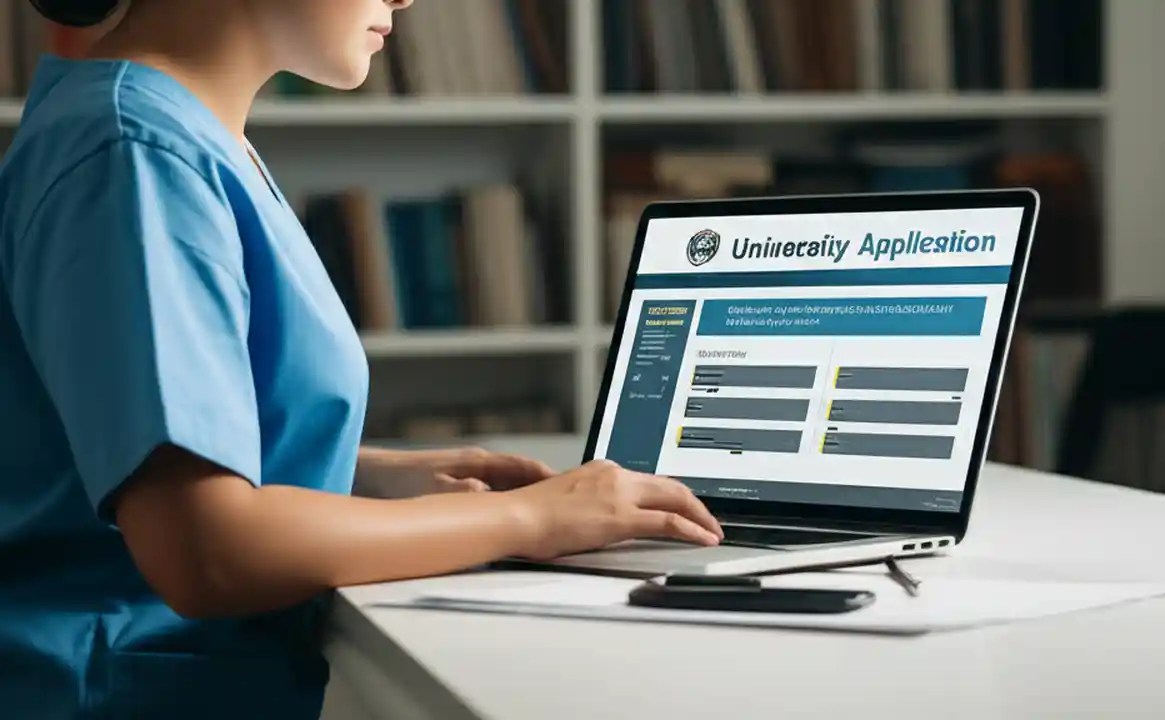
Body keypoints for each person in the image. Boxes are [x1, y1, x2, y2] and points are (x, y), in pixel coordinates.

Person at [0, 1, 724, 717]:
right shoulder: (135, 154)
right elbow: (205, 550)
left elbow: (123, 436)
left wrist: (367, 475)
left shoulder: (173, 130)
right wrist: (530, 518)